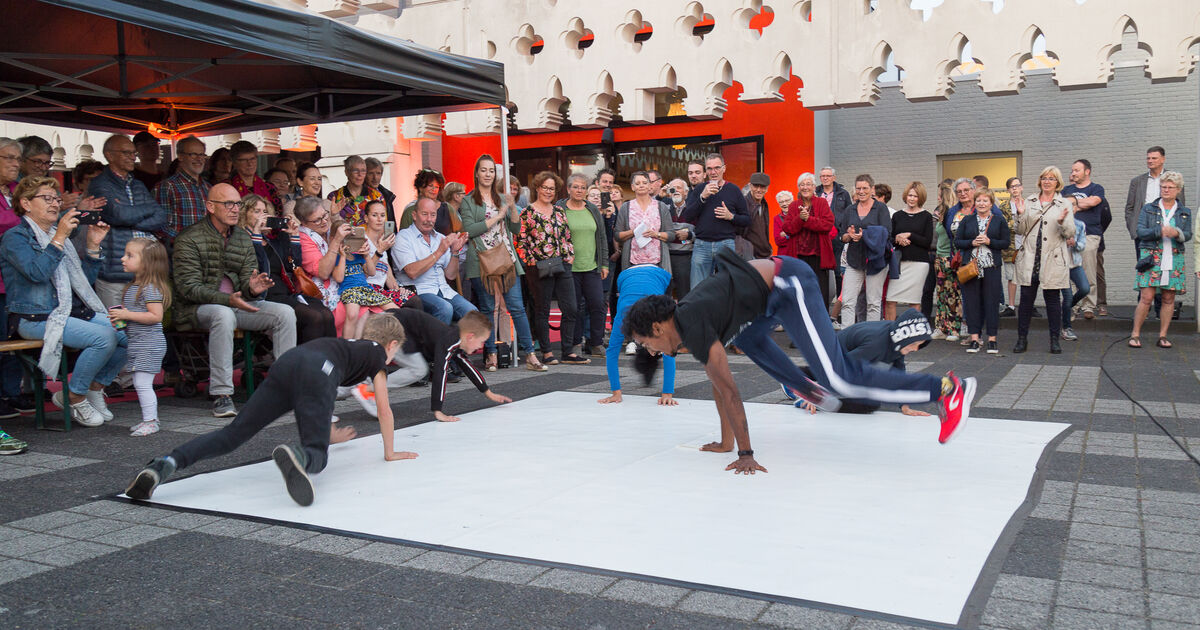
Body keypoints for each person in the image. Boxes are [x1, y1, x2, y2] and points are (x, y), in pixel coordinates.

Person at [623, 249, 976, 474]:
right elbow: (719, 385)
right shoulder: (690, 325)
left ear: (657, 327)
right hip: (765, 301)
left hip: (788, 283)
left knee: (838, 378)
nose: (650, 350)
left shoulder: (693, 324)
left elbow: (730, 392)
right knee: (747, 338)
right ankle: (803, 385)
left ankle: (946, 389)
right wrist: (726, 442)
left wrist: (745, 452)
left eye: (645, 342)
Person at [126, 314, 416, 506]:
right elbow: (384, 410)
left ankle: (165, 464)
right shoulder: (376, 356)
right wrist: (389, 452)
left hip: (290, 361)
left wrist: (328, 431)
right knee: (318, 456)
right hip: (319, 372)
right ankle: (299, 456)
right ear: (391, 344)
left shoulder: (346, 345)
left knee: (233, 434)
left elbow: (315, 397)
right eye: (394, 352)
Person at [0, 177, 125, 427]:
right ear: (25, 203)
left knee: (128, 333)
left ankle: (92, 389)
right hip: (33, 317)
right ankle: (75, 397)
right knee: (104, 338)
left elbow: (82, 284)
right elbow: (37, 273)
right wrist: (58, 238)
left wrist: (93, 247)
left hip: (70, 311)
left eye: (57, 199)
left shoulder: (59, 236)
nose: (55, 204)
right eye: (47, 198)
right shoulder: (16, 237)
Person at [173, 183, 298, 418]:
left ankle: (284, 390)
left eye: (237, 204)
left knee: (284, 313)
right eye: (228, 204)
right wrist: (227, 299)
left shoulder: (241, 237)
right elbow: (188, 288)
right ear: (211, 206)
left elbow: (245, 282)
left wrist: (252, 289)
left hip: (235, 304)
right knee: (223, 314)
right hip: (196, 308)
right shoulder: (189, 238)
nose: (235, 209)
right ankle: (222, 394)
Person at [458, 155, 537, 370]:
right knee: (487, 308)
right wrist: (497, 216)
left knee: (517, 307)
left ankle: (530, 354)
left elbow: (516, 229)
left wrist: (511, 208)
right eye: (483, 170)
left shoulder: (503, 198)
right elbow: (469, 230)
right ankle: (491, 354)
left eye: (491, 170)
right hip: (481, 261)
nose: (487, 174)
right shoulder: (468, 200)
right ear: (476, 173)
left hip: (506, 258)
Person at [88, 134, 168, 307]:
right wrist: (143, 212)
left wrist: (130, 221)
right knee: (116, 322)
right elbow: (119, 215)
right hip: (115, 271)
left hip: (143, 271)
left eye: (134, 153)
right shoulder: (99, 184)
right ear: (109, 155)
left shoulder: (137, 185)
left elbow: (161, 216)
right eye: (126, 153)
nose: (133, 157)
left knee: (143, 321)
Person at [519, 171, 587, 366]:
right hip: (539, 267)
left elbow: (566, 236)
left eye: (552, 189)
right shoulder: (528, 212)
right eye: (545, 188)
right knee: (542, 310)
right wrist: (530, 261)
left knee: (571, 307)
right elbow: (521, 241)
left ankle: (568, 351)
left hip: (562, 264)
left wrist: (570, 254)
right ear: (538, 188)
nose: (548, 192)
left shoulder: (559, 211)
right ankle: (547, 352)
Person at [254, 195, 336, 344]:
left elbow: (293, 266)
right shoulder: (244, 240)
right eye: (257, 211)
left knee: (326, 314)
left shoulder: (271, 242)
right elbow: (258, 263)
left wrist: (294, 236)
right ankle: (307, 358)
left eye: (265, 211)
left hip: (285, 293)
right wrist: (255, 235)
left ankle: (331, 356)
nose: (263, 216)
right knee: (314, 316)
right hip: (264, 295)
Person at [109, 238, 170, 437]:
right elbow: (140, 315)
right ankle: (150, 419)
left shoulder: (149, 288)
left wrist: (126, 315)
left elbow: (156, 316)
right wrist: (122, 320)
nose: (123, 258)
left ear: (147, 262)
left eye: (130, 255)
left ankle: (151, 421)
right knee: (140, 383)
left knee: (142, 384)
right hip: (139, 343)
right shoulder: (134, 286)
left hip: (149, 343)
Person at [1012, 167, 1074, 355]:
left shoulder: (1064, 203)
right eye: (1044, 178)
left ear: (1058, 182)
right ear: (1040, 181)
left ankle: (1054, 340)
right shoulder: (1029, 201)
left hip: (1052, 259)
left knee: (1053, 301)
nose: (1047, 181)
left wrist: (1062, 222)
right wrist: (1020, 214)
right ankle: (1021, 339)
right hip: (1030, 258)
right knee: (1025, 302)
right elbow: (1020, 230)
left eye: (1052, 178)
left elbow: (1070, 233)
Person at [599, 264, 677, 406]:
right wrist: (616, 392)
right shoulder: (622, 318)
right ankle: (650, 350)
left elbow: (669, 350)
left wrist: (667, 393)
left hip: (660, 276)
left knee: (665, 340)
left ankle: (652, 350)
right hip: (626, 276)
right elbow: (611, 352)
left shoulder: (659, 317)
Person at [1126, 146, 1185, 321]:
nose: (1150, 161)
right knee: (1145, 267)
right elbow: (1129, 208)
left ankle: (1160, 311)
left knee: (1164, 269)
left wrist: (1176, 231)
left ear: (1163, 159)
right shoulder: (1137, 181)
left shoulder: (1173, 180)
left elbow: (1181, 207)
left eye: (1154, 158)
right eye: (1148, 158)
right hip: (1144, 234)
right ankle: (1143, 310)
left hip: (1167, 234)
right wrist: (1134, 231)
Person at [1132, 172, 1190, 348]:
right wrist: (1159, 231)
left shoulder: (1184, 211)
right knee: (1146, 297)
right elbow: (1140, 231)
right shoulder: (1148, 208)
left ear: (1178, 190)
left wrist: (1176, 233)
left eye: (1170, 187)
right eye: (1163, 186)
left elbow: (1188, 234)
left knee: (1168, 298)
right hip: (1151, 257)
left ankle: (1163, 336)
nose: (1166, 190)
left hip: (1174, 257)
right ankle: (1135, 334)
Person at [0, 139, 36, 418]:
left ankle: (12, 393)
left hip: (19, 278)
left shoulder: (18, 190)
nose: (16, 163)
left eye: (18, 158)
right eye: (9, 158)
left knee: (12, 340)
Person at [393, 197, 473, 324]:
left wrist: (455, 252)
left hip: (444, 290)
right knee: (444, 309)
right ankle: (434, 338)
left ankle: (455, 338)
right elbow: (412, 272)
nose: (429, 219)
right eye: (424, 214)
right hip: (419, 291)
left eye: (433, 215)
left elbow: (450, 275)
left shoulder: (440, 238)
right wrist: (439, 251)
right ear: (414, 215)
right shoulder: (403, 237)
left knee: (472, 313)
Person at [954, 190, 1011, 354]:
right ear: (975, 203)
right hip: (971, 267)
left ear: (991, 203)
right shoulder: (967, 220)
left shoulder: (999, 220)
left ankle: (992, 339)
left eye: (985, 200)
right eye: (978, 200)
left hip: (991, 267)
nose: (981, 203)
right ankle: (974, 338)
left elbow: (1005, 243)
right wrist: (971, 242)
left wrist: (989, 241)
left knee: (991, 302)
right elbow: (958, 241)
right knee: (972, 302)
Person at [681, 153, 749, 288]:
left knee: (728, 286)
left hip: (726, 244)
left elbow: (746, 220)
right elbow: (687, 216)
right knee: (698, 288)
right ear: (706, 171)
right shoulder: (700, 189)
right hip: (701, 244)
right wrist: (703, 197)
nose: (713, 172)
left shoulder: (734, 190)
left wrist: (731, 216)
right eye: (709, 168)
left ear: (724, 168)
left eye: (717, 168)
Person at [560, 173, 609, 356]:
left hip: (592, 266)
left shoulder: (592, 209)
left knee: (598, 304)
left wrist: (604, 264)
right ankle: (575, 343)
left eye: (583, 187)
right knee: (575, 307)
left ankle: (595, 342)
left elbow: (602, 237)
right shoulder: (560, 209)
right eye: (575, 187)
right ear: (568, 189)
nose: (579, 190)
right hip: (569, 268)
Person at [838, 174, 891, 326]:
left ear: (872, 189)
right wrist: (849, 236)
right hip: (854, 260)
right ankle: (846, 335)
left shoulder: (880, 208)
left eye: (865, 188)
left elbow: (887, 233)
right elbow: (842, 236)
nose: (861, 191)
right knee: (847, 302)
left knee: (873, 303)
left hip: (875, 261)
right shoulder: (850, 210)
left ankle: (872, 336)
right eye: (858, 188)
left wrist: (865, 235)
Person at [338, 215, 400, 340]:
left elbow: (371, 272)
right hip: (350, 290)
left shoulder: (358, 255)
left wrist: (366, 256)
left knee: (396, 311)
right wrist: (343, 256)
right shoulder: (337, 257)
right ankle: (346, 345)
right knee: (352, 314)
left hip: (366, 289)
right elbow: (338, 278)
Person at [780, 173, 835, 311]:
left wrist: (808, 220)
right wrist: (800, 219)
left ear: (814, 187)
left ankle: (821, 318)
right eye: (802, 185)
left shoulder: (821, 203)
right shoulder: (794, 206)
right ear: (798, 188)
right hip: (799, 256)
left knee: (820, 289)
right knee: (800, 289)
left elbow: (827, 225)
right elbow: (788, 228)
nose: (805, 187)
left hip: (818, 255)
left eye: (808, 184)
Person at [1060, 159, 1106, 319]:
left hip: (1090, 234)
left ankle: (1088, 306)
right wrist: (1079, 204)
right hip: (1069, 234)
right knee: (1071, 271)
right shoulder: (1066, 189)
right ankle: (1073, 306)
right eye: (1072, 170)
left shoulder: (1096, 188)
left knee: (1089, 270)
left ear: (1087, 171)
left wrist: (1073, 204)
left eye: (1077, 170)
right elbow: (1060, 206)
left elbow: (1094, 201)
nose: (1073, 173)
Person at [888, 182, 934, 319]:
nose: (912, 198)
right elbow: (890, 239)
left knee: (914, 302)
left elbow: (927, 242)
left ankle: (913, 331)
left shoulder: (927, 216)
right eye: (910, 195)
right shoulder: (897, 216)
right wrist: (898, 238)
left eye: (915, 196)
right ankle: (890, 329)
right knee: (890, 299)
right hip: (899, 263)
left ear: (920, 198)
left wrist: (909, 235)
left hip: (919, 264)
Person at [361, 200, 418, 309]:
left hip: (381, 291)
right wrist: (379, 251)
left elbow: (389, 278)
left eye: (382, 215)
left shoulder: (383, 243)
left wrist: (399, 290)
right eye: (374, 215)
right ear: (366, 218)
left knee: (412, 298)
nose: (379, 219)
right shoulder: (362, 241)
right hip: (366, 290)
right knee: (413, 303)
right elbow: (364, 274)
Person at [155, 135, 211, 238]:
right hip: (179, 246)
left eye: (202, 154)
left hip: (209, 246)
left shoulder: (209, 188)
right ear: (180, 156)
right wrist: (187, 242)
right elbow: (161, 226)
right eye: (193, 154)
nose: (199, 159)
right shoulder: (167, 187)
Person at [930, 183, 962, 341]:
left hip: (950, 258)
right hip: (939, 258)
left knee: (953, 294)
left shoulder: (953, 215)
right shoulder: (941, 213)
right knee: (941, 294)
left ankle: (954, 329)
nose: (937, 197)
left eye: (939, 195)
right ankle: (941, 327)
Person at [328, 155, 383, 227]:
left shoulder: (376, 196)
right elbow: (329, 225)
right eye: (355, 170)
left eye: (363, 171)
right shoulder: (334, 197)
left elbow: (383, 224)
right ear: (347, 172)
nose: (360, 174)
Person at [997, 177, 1025, 316]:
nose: (1015, 189)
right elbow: (1003, 225)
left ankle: (1027, 305)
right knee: (1011, 276)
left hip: (1026, 245)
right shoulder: (1004, 207)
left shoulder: (1029, 204)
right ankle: (1012, 306)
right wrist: (1018, 222)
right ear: (1008, 190)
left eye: (1017, 185)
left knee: (1027, 277)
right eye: (1012, 187)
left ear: (1021, 187)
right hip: (1010, 247)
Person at [1060, 215, 1089, 342]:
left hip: (1075, 264)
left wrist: (1075, 243)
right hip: (1061, 266)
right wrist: (1063, 243)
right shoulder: (1056, 224)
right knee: (1068, 296)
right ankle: (1066, 328)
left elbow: (1083, 245)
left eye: (1074, 206)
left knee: (1085, 288)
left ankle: (1065, 309)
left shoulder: (1080, 224)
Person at [665, 178, 694, 300]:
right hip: (666, 256)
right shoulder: (663, 208)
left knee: (684, 293)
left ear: (686, 192)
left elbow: (702, 231)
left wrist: (689, 235)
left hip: (685, 257)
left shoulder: (693, 209)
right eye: (673, 188)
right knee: (665, 293)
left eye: (679, 188)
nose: (676, 190)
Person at [399, 168, 454, 233]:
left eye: (437, 187)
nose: (434, 189)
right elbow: (403, 234)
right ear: (420, 187)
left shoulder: (447, 208)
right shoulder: (410, 210)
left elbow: (460, 232)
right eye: (430, 186)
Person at [738, 172, 773, 259]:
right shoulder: (743, 204)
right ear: (750, 186)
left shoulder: (764, 204)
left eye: (762, 187)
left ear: (767, 188)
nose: (759, 190)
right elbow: (737, 233)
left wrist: (768, 248)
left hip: (765, 254)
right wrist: (745, 252)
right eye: (756, 186)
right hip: (750, 256)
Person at [364, 157, 397, 224]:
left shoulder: (387, 195)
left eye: (378, 173)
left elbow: (391, 223)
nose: (375, 177)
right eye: (371, 173)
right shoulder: (357, 196)